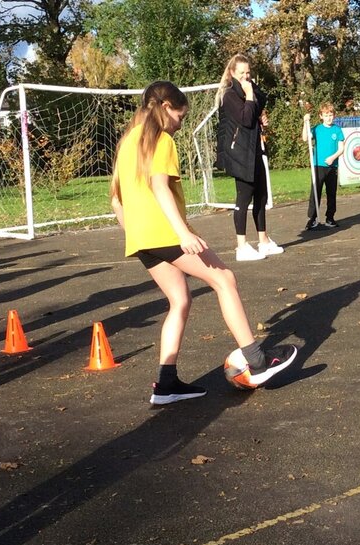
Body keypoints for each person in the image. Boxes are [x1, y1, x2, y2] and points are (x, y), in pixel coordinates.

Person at [111, 81, 297, 404]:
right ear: (166, 108)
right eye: (180, 117)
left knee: (180, 299)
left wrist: (137, 235)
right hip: (164, 232)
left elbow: (116, 201)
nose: (181, 125)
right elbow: (159, 187)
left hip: (141, 238)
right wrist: (182, 233)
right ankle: (256, 361)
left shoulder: (127, 142)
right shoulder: (161, 139)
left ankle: (166, 384)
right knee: (224, 279)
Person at [215, 54, 284, 261]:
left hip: (254, 149)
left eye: (248, 73)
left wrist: (261, 116)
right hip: (238, 152)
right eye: (242, 73)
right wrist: (250, 96)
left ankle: (263, 241)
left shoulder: (250, 90)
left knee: (261, 195)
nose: (246, 77)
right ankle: (241, 246)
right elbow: (245, 118)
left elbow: (258, 105)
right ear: (232, 73)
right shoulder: (229, 95)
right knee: (243, 197)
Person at [302, 102, 345, 230]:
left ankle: (330, 218)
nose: (329, 117)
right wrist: (305, 123)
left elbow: (341, 148)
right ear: (321, 116)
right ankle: (312, 218)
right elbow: (305, 138)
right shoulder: (317, 129)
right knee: (316, 192)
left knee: (331, 193)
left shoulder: (337, 130)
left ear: (334, 116)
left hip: (332, 167)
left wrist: (332, 158)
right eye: (326, 115)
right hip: (318, 166)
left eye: (331, 115)